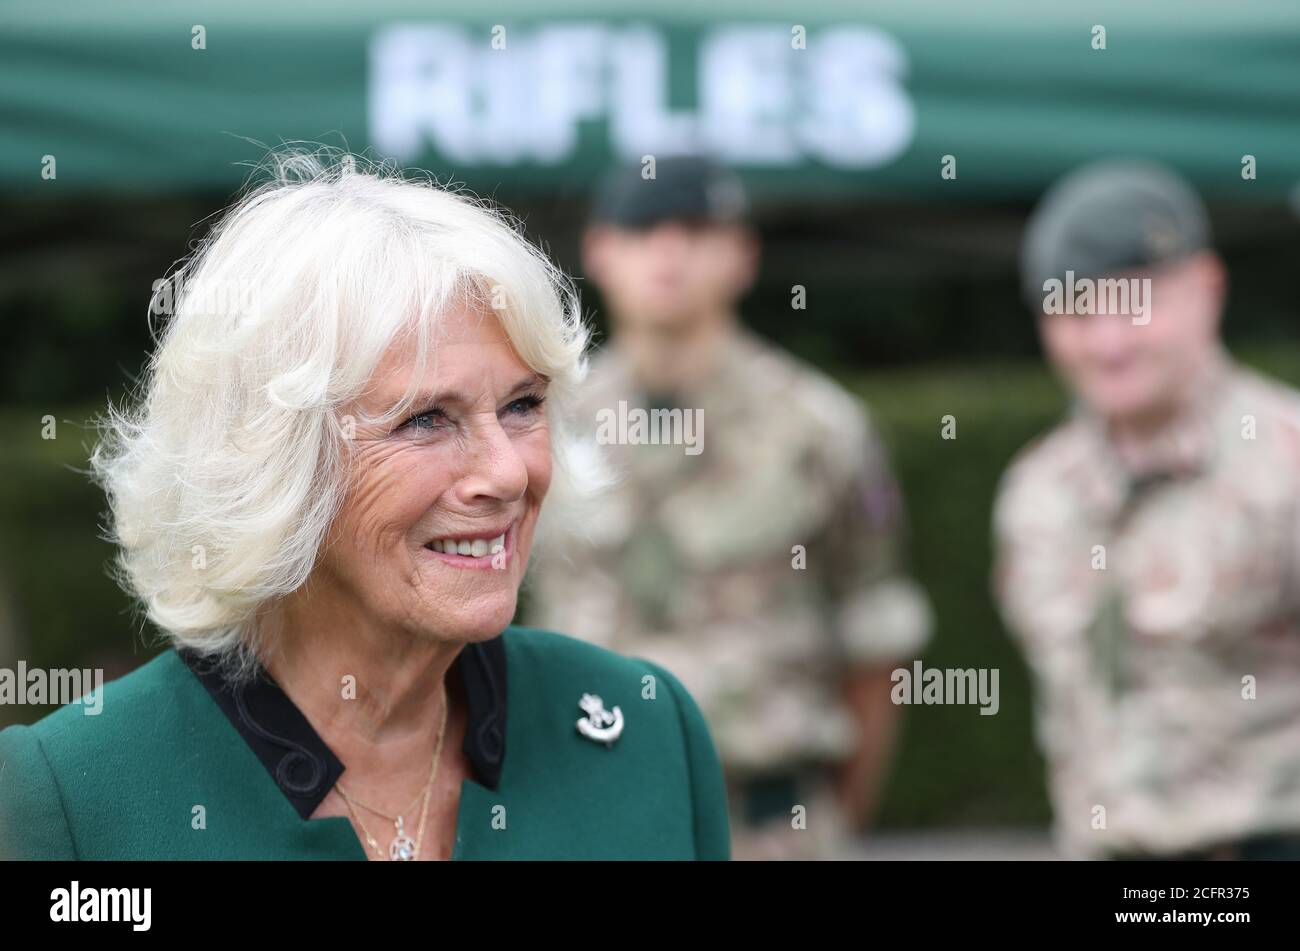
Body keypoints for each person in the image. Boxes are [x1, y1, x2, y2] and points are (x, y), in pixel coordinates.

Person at [0, 149, 729, 861]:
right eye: (426, 419)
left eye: (522, 404)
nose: (507, 472)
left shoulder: (643, 732)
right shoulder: (69, 797)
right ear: (272, 462)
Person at [527, 155, 932, 860]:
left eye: (695, 229)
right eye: (641, 227)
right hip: (586, 819)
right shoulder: (545, 424)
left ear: (743, 255)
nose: (668, 252)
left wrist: (831, 819)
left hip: (769, 822)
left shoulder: (819, 427)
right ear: (597, 250)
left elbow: (877, 637)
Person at [993, 159, 1300, 860]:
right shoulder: (1037, 492)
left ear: (1208, 288)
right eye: (1075, 311)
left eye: (1133, 304)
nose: (1108, 342)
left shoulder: (1286, 461)